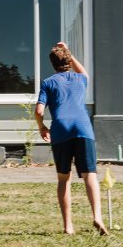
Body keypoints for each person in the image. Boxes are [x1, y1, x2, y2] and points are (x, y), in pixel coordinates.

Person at [35, 42, 108, 236]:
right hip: (83, 128)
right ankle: (97, 217)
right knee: (89, 175)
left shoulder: (48, 82)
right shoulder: (80, 79)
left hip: (61, 130)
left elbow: (39, 110)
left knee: (63, 178)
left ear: (52, 63)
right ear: (68, 60)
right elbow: (84, 72)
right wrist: (69, 51)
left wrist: (42, 126)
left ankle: (68, 226)